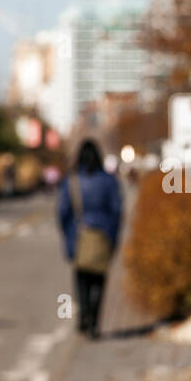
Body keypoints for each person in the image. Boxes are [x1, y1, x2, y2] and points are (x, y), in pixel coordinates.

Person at [57, 140, 122, 339]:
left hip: (79, 236)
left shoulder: (73, 181)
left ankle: (84, 317)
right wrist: (112, 236)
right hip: (103, 236)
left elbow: (63, 212)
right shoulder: (109, 181)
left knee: (81, 279)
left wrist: (68, 237)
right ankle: (94, 322)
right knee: (99, 281)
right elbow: (117, 210)